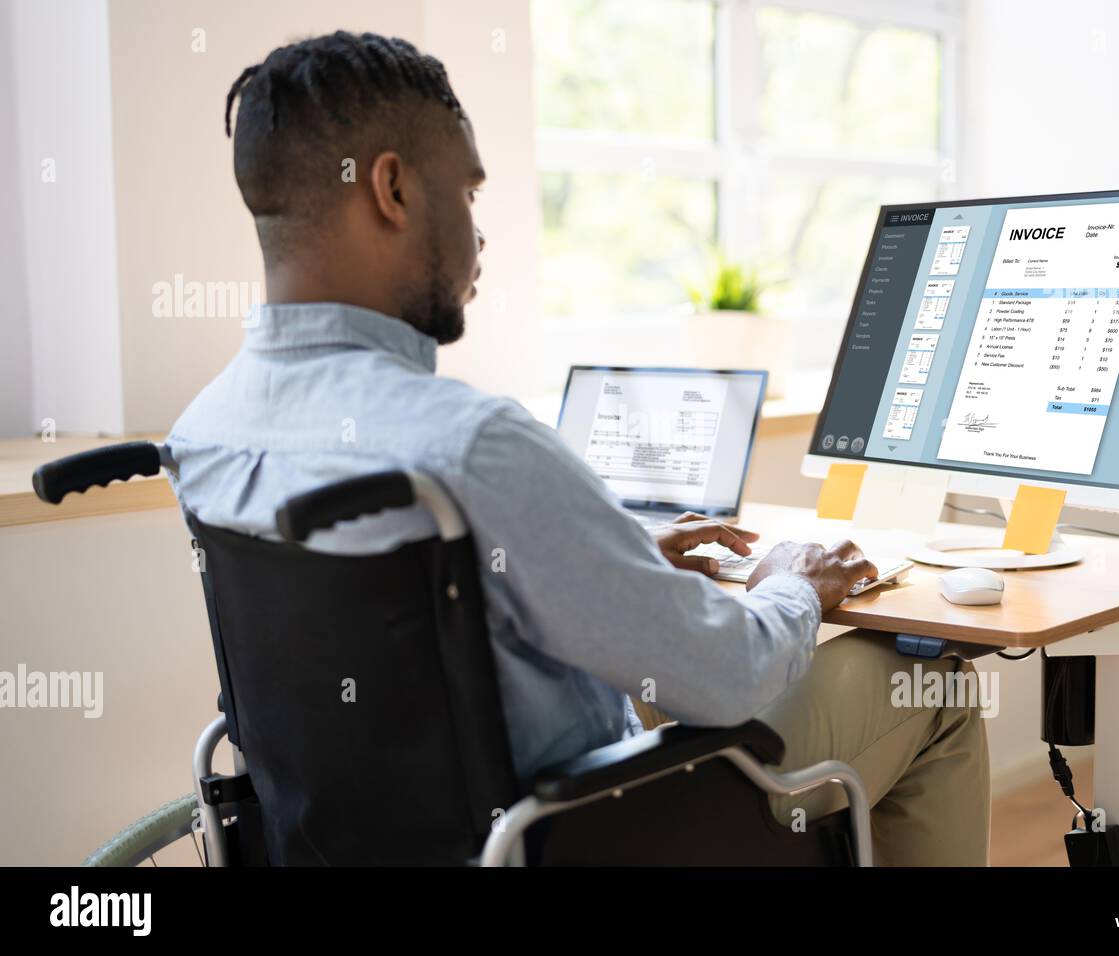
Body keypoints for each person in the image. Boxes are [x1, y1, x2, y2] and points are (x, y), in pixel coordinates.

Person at [169, 31, 989, 865]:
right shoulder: (471, 445)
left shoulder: (205, 433)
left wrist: (613, 554)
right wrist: (791, 586)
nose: (477, 233)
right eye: (468, 191)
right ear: (391, 189)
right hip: (597, 833)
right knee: (935, 685)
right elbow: (729, 673)